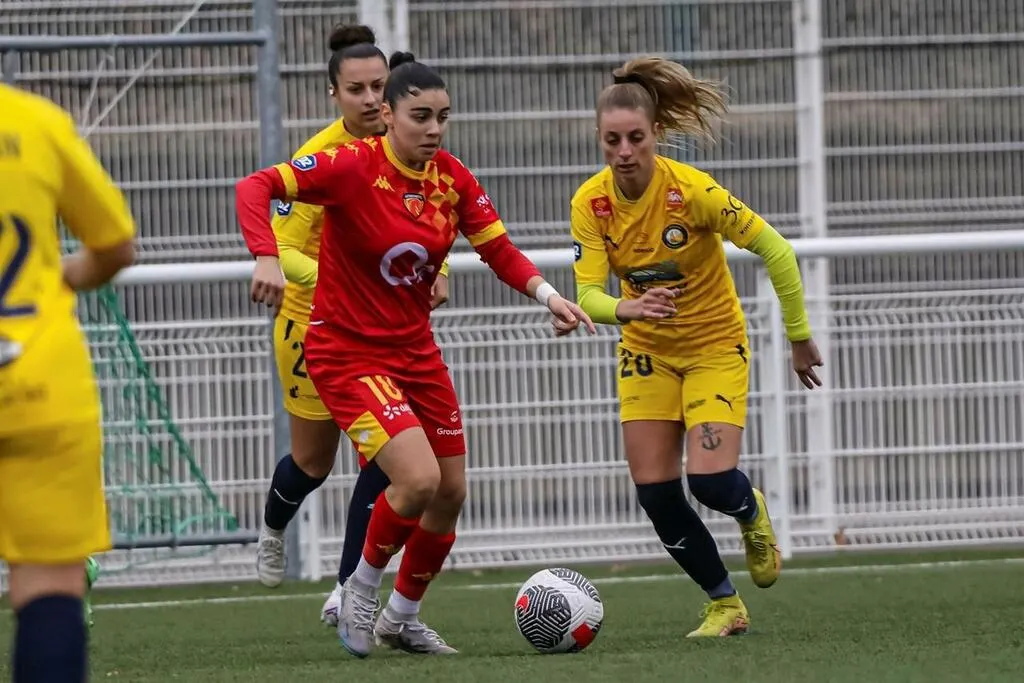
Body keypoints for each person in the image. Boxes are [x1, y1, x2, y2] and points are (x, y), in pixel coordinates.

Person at [236, 52, 594, 657]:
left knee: (450, 490)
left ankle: (401, 617)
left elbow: (499, 249)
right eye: (420, 116)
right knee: (417, 478)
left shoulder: (451, 176)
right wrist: (265, 253)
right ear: (389, 116)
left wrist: (549, 295)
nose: (432, 129)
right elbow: (257, 185)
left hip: (413, 349)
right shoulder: (350, 165)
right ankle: (358, 588)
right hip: (348, 351)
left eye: (442, 117)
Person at [567, 57, 823, 638]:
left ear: (656, 134)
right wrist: (626, 308)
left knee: (709, 481)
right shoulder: (591, 203)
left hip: (712, 346)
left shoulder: (693, 191)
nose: (625, 150)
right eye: (613, 140)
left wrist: (799, 337)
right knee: (655, 493)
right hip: (646, 354)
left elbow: (778, 251)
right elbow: (589, 293)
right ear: (599, 139)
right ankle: (724, 604)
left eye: (636, 137)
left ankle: (748, 508)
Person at [253, 23, 452, 630]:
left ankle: (348, 590)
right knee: (312, 464)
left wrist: (431, 269)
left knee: (388, 461)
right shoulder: (322, 160)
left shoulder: (414, 148)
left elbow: (426, 223)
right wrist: (345, 278)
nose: (370, 100)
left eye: (378, 88)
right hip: (313, 326)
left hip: (384, 334)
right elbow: (282, 252)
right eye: (356, 90)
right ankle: (273, 527)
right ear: (333, 95)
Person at [0, 83, 137, 681]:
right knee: (50, 584)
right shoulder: (33, 121)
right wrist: (65, 276)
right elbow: (113, 245)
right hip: (35, 378)